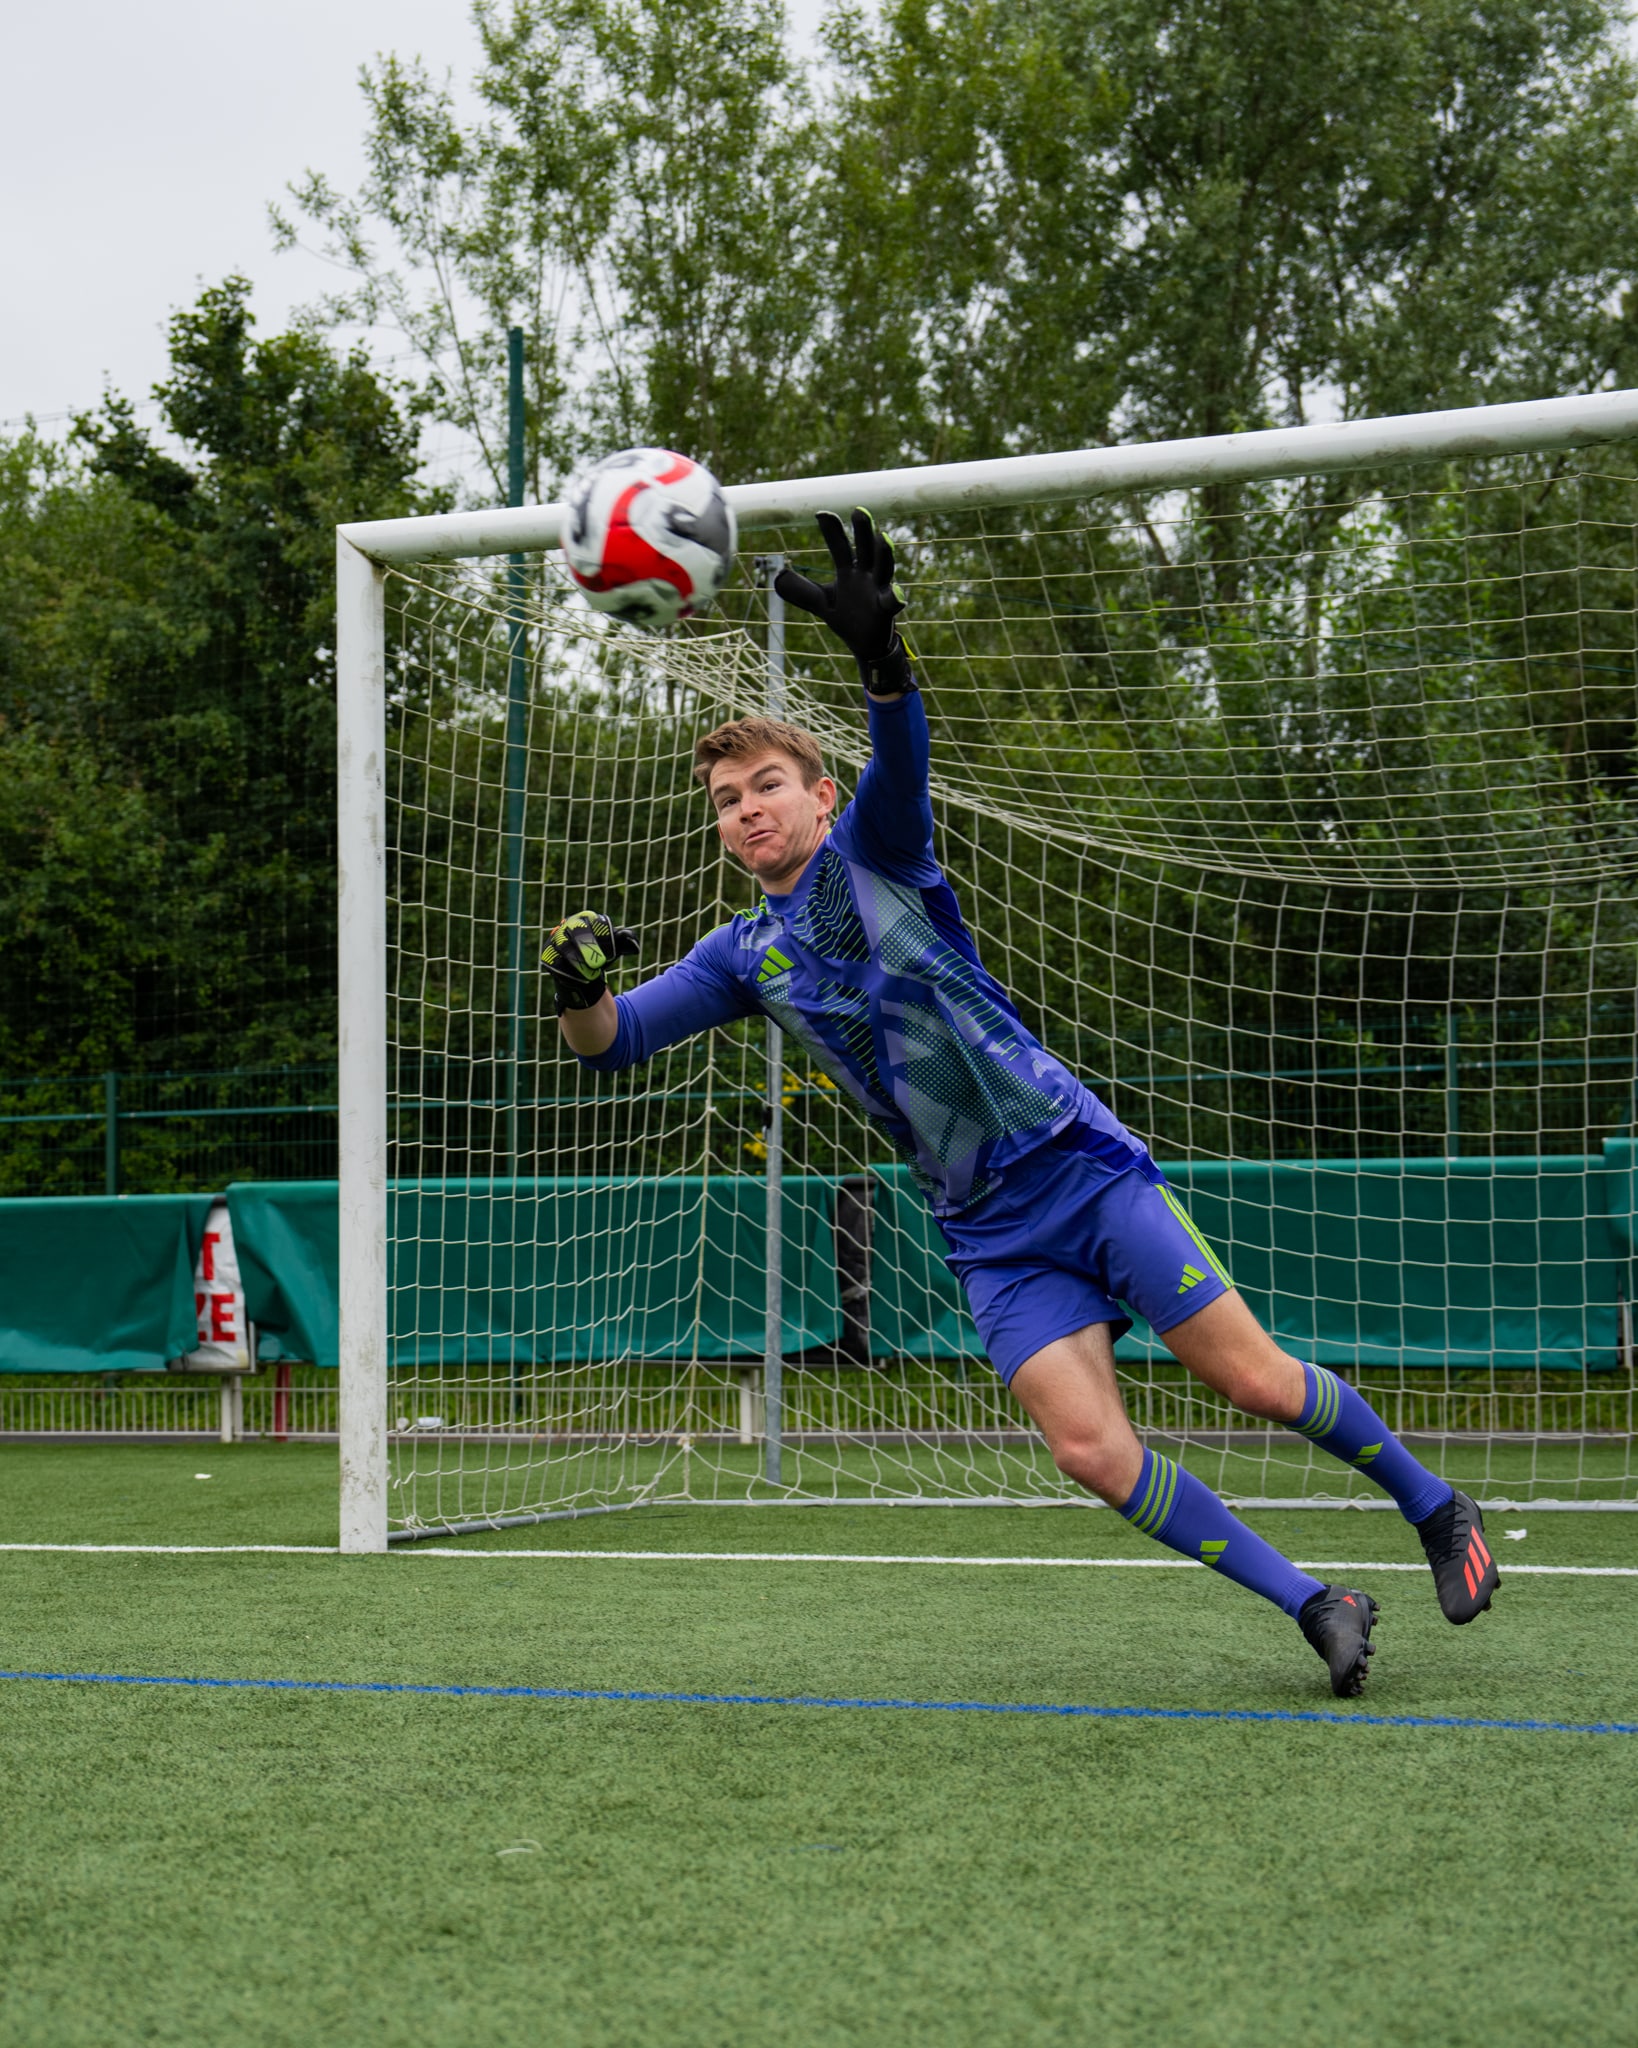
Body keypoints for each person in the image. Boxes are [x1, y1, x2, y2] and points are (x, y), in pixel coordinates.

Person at [542, 509, 1500, 1698]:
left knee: (1250, 1378)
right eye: (728, 797)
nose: (747, 808)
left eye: (768, 784)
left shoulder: (880, 853)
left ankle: (1435, 1503)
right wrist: (575, 984)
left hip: (1077, 1165)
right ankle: (1317, 1601)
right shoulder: (742, 956)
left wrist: (883, 662)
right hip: (988, 1231)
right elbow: (613, 1041)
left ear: (820, 796)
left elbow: (903, 760)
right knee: (1090, 1448)